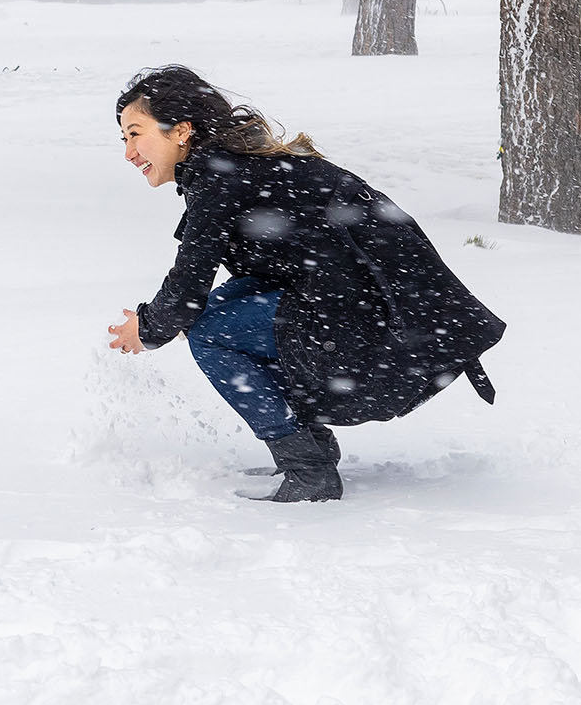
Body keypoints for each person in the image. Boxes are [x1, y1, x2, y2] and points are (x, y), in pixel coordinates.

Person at [106, 65, 505, 502]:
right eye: (124, 138)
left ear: (180, 131)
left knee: (210, 329)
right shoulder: (237, 170)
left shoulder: (223, 178)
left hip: (370, 328)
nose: (129, 152)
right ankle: (308, 447)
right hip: (362, 314)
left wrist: (145, 330)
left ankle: (307, 468)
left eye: (135, 133)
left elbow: (186, 294)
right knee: (228, 303)